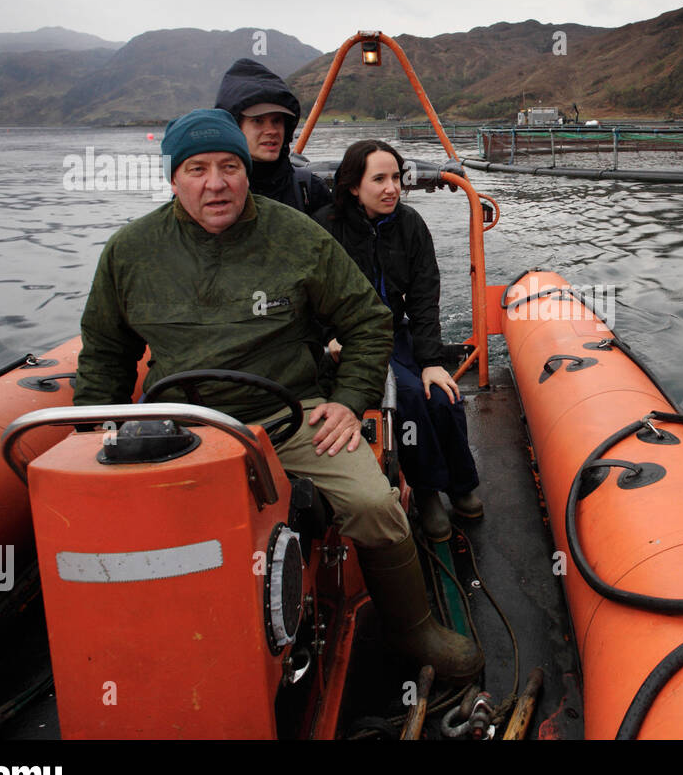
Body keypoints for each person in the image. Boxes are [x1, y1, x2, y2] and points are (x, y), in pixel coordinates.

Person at [73, 108, 482, 683]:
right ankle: (134, 642)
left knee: (373, 505)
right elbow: (105, 356)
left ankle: (412, 627)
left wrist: (346, 398)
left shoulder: (296, 236)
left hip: (291, 416)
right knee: (113, 523)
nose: (215, 183)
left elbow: (368, 321)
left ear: (245, 172)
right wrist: (92, 436)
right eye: (197, 168)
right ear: (173, 178)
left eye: (228, 167)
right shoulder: (130, 252)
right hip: (178, 427)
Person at [314, 139, 482, 543]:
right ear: (354, 185)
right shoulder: (324, 228)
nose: (392, 188)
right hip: (351, 339)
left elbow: (425, 296)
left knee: (442, 393)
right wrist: (329, 339)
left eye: (396, 178)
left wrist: (431, 360)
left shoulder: (410, 225)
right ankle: (425, 491)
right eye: (380, 179)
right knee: (407, 396)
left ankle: (460, 483)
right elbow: (310, 293)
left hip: (397, 332)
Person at [214, 58, 331, 214]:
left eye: (276, 121)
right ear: (235, 127)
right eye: (258, 121)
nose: (271, 131)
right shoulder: (210, 193)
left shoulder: (310, 188)